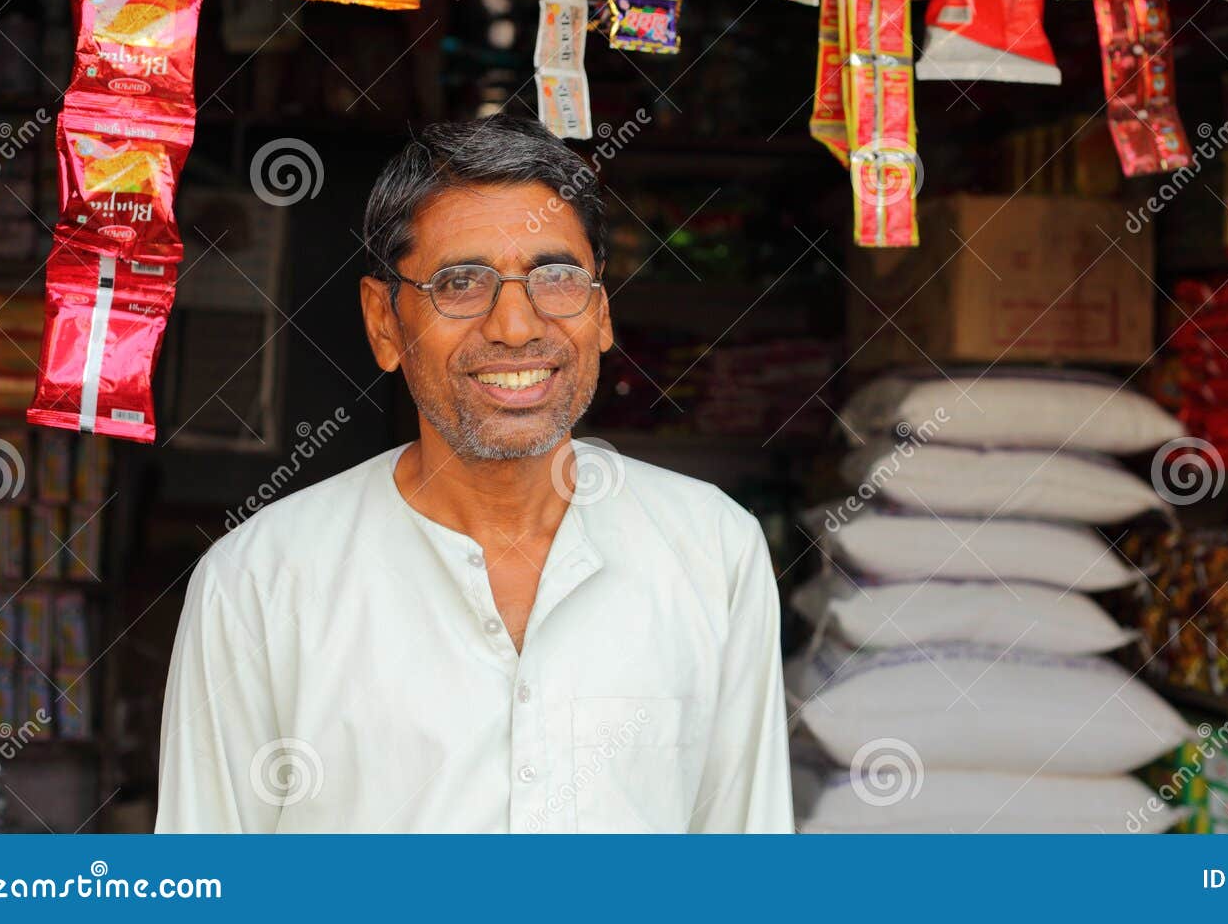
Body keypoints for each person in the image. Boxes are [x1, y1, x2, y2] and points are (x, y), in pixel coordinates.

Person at [155, 116, 793, 832]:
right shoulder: (261, 581)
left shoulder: (712, 551)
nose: (516, 325)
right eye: (461, 282)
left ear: (602, 313)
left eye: (556, 277)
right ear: (384, 323)